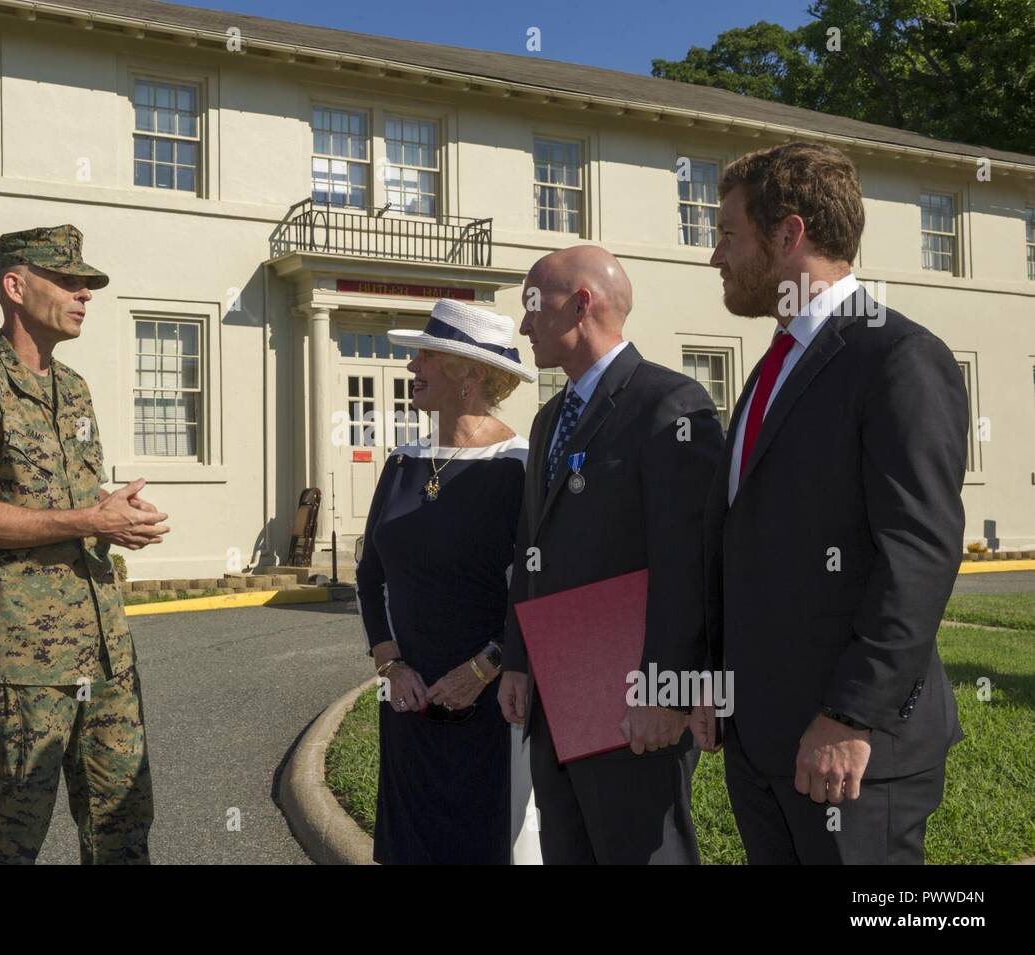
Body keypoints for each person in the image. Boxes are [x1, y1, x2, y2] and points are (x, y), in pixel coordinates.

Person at [691, 143, 968, 864]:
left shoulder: (898, 359)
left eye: (726, 235)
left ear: (789, 234)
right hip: (761, 746)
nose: (714, 257)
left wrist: (850, 714)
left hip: (851, 756)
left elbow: (919, 553)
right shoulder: (768, 370)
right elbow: (742, 544)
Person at [0, 224, 169, 864]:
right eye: (67, 280)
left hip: (103, 648)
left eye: (87, 283)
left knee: (122, 823)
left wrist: (120, 519)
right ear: (15, 285)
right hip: (18, 659)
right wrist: (91, 519)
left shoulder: (75, 389)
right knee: (10, 836)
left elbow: (75, 505)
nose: (84, 292)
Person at [498, 245, 723, 864]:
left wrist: (668, 688)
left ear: (581, 304)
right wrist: (519, 659)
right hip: (555, 687)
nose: (523, 327)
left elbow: (691, 565)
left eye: (531, 308)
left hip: (629, 699)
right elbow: (530, 546)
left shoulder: (669, 406)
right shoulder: (548, 419)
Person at [355, 298, 539, 864]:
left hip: (492, 705)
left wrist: (486, 667)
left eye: (425, 356)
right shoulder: (401, 464)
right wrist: (391, 665)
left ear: (469, 373)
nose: (412, 368)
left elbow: (541, 591)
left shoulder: (521, 467)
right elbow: (370, 576)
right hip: (409, 704)